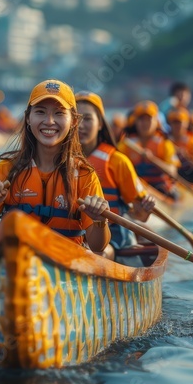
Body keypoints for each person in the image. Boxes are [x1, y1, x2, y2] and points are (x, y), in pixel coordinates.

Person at [0, 80, 111, 253]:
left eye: (59, 113)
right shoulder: (6, 170)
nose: (49, 121)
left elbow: (98, 246)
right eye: (40, 112)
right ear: (27, 118)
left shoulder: (84, 175)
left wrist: (100, 221)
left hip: (65, 261)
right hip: (15, 256)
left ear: (74, 122)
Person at [76, 91, 156, 259]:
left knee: (98, 252)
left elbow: (139, 215)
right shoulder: (58, 160)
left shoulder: (118, 161)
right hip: (74, 230)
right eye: (76, 118)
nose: (81, 125)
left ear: (100, 124)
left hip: (112, 234)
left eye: (88, 118)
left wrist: (146, 209)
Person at [118, 100, 180, 199]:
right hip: (137, 190)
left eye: (149, 119)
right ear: (136, 121)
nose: (145, 123)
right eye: (141, 119)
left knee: (175, 195)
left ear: (156, 121)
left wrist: (153, 159)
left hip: (161, 189)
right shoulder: (126, 144)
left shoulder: (164, 143)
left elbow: (173, 171)